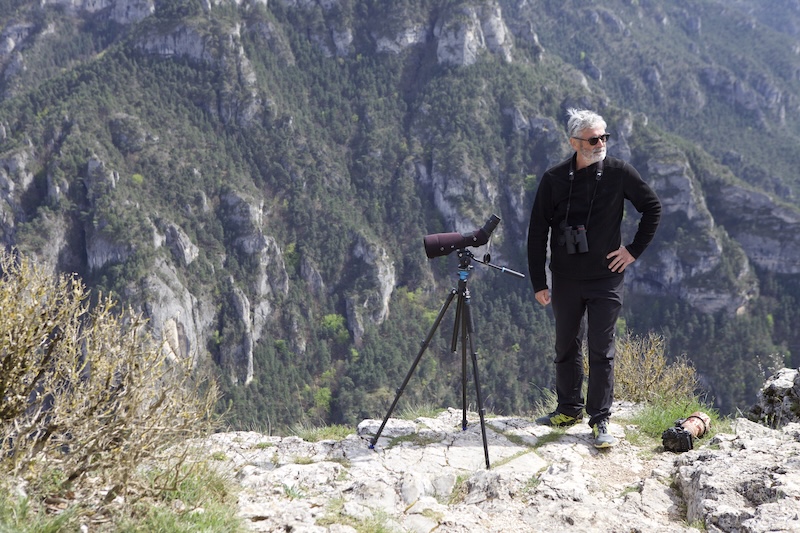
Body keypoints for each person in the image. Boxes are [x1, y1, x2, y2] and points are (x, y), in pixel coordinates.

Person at [527, 108, 661, 448]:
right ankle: (567, 409)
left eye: (604, 137)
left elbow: (652, 207)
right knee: (565, 345)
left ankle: (600, 419)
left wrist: (633, 251)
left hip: (606, 277)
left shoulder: (619, 172)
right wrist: (539, 282)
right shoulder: (554, 179)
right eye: (593, 139)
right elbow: (537, 231)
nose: (601, 143)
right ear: (574, 142)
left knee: (602, 349)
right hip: (566, 279)